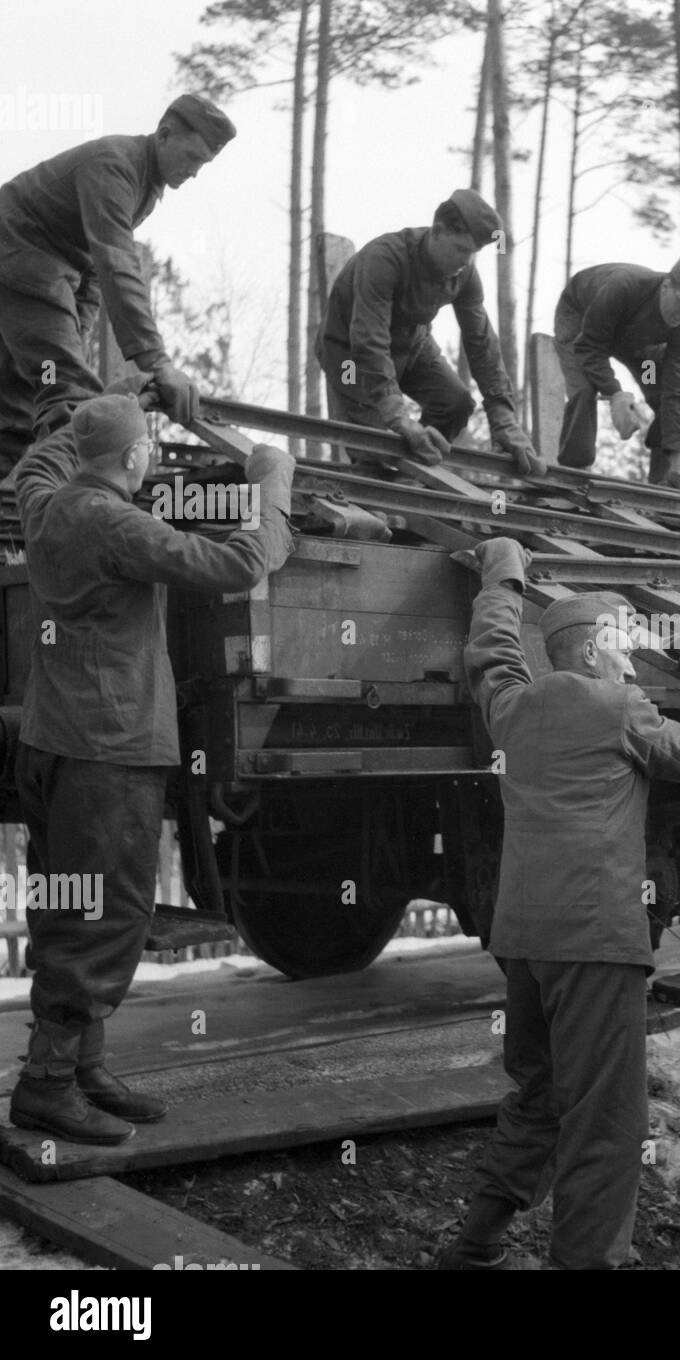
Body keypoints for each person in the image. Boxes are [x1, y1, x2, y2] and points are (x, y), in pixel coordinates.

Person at [8, 386, 295, 1145]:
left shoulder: (45, 505)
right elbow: (239, 562)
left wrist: (113, 405)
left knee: (67, 907)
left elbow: (40, 461)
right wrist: (273, 481)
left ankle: (81, 1066)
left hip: (49, 743)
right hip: (110, 750)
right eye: (147, 450)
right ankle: (44, 1085)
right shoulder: (116, 523)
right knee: (104, 918)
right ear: (134, 457)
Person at [441, 543, 680, 1269]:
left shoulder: (512, 706)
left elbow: (492, 645)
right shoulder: (617, 707)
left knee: (538, 1094)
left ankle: (476, 1244)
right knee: (605, 1118)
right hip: (596, 942)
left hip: (525, 942)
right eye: (625, 651)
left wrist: (501, 572)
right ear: (598, 653)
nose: (634, 665)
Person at [0, 95, 236, 471]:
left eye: (202, 164)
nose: (194, 172)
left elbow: (92, 271)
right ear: (164, 135)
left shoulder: (144, 183)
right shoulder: (115, 167)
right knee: (68, 391)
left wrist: (78, 337)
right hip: (20, 259)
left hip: (35, 271)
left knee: (20, 402)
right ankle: (90, 509)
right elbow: (116, 264)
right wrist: (158, 362)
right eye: (192, 157)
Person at [317, 189, 543, 475]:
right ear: (438, 232)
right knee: (372, 451)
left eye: (473, 253)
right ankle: (385, 468)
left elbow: (482, 343)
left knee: (456, 404)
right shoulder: (384, 258)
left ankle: (415, 460)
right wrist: (397, 415)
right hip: (351, 356)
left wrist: (503, 414)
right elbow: (368, 339)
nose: (467, 261)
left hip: (411, 345)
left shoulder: (465, 275)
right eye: (461, 250)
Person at [552, 256, 680, 488]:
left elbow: (679, 389)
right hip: (581, 319)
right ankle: (573, 471)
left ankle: (666, 477)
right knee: (584, 388)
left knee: (659, 392)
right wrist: (614, 393)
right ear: (667, 286)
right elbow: (590, 348)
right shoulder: (623, 287)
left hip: (636, 344)